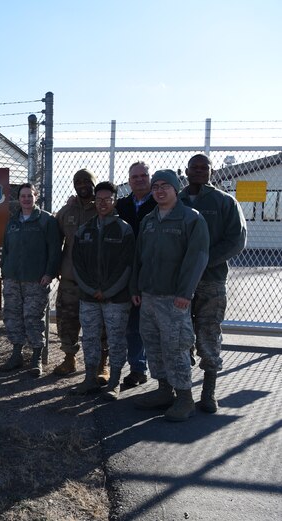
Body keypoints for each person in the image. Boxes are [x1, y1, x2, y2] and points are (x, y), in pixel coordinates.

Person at [130, 169, 209, 422]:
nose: (159, 190)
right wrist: (136, 288)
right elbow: (138, 258)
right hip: (149, 296)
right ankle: (164, 390)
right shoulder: (149, 221)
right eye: (156, 186)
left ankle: (185, 398)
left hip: (174, 298)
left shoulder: (190, 219)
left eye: (165, 186)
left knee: (176, 347)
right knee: (153, 345)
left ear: (176, 189)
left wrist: (185, 293)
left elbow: (197, 258)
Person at [179, 154, 247, 413]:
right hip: (181, 283)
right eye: (193, 167)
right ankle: (182, 390)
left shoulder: (224, 202)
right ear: (186, 171)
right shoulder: (178, 200)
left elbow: (236, 240)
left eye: (203, 168)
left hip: (211, 280)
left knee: (208, 335)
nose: (198, 171)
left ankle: (208, 392)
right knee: (181, 336)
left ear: (212, 171)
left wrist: (204, 261)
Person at [71, 182, 135, 399]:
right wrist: (90, 289)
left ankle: (114, 382)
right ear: (94, 201)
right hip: (88, 297)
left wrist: (108, 291)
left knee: (116, 340)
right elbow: (77, 264)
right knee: (89, 338)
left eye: (107, 199)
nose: (102, 204)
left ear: (115, 200)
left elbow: (127, 266)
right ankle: (89, 379)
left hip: (116, 298)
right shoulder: (84, 230)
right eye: (99, 200)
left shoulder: (124, 230)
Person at [0, 183, 61, 376]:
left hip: (36, 280)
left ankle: (36, 359)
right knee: (12, 316)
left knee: (32, 318)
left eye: (29, 195)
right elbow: (6, 250)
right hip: (12, 279)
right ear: (19, 199)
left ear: (36, 197)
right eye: (22, 196)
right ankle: (16, 354)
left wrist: (49, 273)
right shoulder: (13, 221)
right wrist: (5, 272)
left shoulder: (46, 220)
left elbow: (54, 250)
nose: (26, 199)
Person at [54, 168, 109, 381]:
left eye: (87, 181)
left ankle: (102, 365)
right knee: (67, 320)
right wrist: (55, 267)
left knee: (99, 325)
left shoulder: (103, 209)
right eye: (78, 181)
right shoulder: (66, 211)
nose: (83, 184)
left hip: (96, 281)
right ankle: (69, 358)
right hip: (70, 279)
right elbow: (55, 241)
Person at [115, 161, 157, 388]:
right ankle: (137, 369)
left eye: (144, 175)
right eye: (135, 177)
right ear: (129, 180)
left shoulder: (160, 202)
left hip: (152, 271)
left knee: (152, 325)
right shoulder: (120, 205)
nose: (139, 179)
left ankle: (164, 374)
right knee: (131, 324)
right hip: (124, 271)